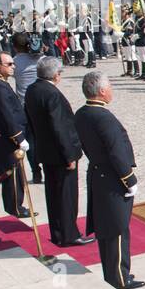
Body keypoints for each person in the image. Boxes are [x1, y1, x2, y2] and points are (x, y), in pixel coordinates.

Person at [75, 71, 143, 289]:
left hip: (98, 173)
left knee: (107, 229)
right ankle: (120, 277)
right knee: (117, 228)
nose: (111, 90)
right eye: (110, 86)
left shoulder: (82, 113)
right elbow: (116, 152)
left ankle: (111, 273)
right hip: (113, 178)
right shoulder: (103, 117)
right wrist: (129, 179)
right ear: (102, 91)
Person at [25, 56, 90, 248]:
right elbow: (59, 127)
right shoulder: (51, 94)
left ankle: (58, 232)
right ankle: (69, 234)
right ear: (55, 75)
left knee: (53, 195)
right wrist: (69, 155)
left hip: (46, 151)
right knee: (66, 196)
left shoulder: (32, 89)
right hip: (60, 154)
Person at [0, 50, 31, 219]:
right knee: (13, 173)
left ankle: (16, 205)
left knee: (16, 172)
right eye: (9, 64)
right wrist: (18, 137)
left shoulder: (0, 83)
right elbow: (7, 115)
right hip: (8, 137)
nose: (13, 67)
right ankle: (15, 207)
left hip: (9, 134)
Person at [10, 31, 43, 184]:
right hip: (42, 103)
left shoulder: (15, 61)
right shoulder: (40, 59)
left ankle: (36, 171)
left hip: (24, 104)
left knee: (30, 138)